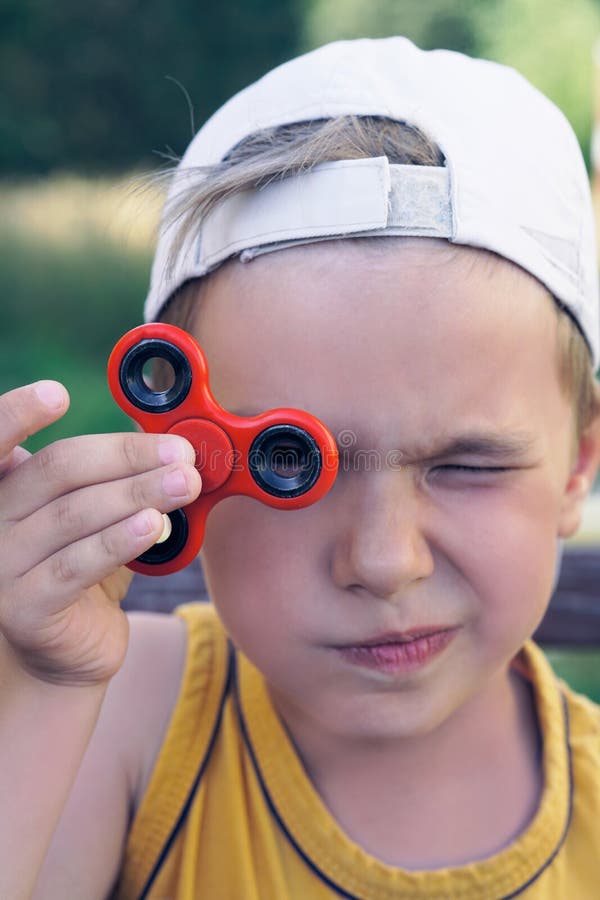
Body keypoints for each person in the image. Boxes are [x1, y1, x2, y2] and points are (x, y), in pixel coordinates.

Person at [2, 36, 600, 899]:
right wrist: (40, 684)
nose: (385, 561)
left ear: (579, 461)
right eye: (291, 464)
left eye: (466, 465)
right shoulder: (124, 717)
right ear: (180, 462)